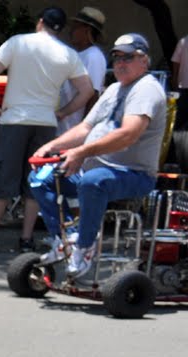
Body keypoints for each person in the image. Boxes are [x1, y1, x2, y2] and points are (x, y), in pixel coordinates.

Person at [30, 32, 168, 278]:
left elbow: (128, 135)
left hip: (132, 174)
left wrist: (81, 152)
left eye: (128, 57)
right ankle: (63, 240)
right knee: (42, 178)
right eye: (116, 58)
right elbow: (85, 128)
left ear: (144, 61)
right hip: (93, 169)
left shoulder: (146, 89)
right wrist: (51, 147)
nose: (121, 63)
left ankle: (84, 247)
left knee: (93, 182)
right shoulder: (114, 88)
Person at [0, 7, 94, 253]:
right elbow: (87, 90)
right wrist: (62, 112)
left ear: (41, 23)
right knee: (34, 181)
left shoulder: (18, 42)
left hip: (14, 119)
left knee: (3, 178)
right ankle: (26, 239)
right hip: (46, 123)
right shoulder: (69, 54)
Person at [58, 6, 107, 134]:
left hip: (72, 128)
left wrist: (83, 130)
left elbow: (93, 95)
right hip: (62, 126)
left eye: (75, 27)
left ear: (87, 30)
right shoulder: (75, 54)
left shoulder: (94, 56)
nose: (71, 31)